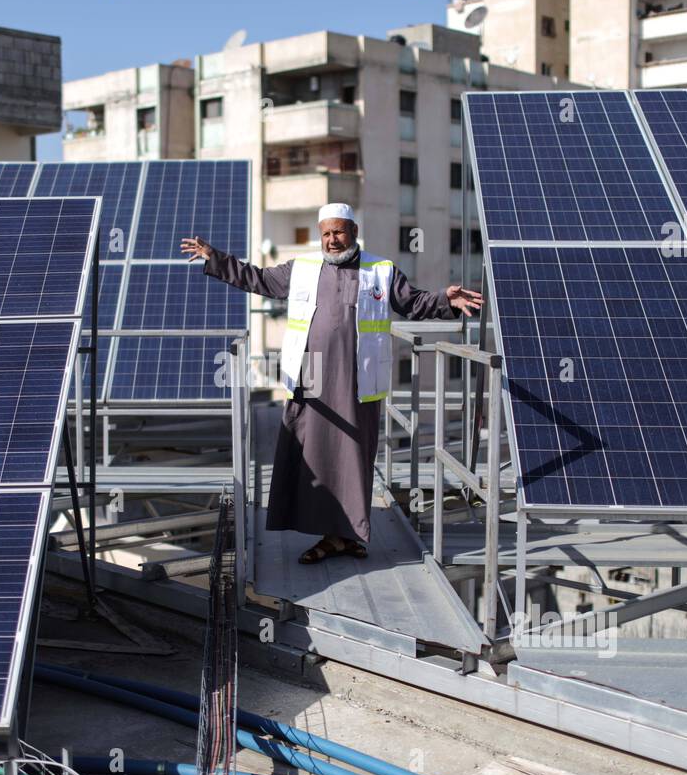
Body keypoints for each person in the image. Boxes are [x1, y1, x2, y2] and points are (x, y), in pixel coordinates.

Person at [182, 203, 482, 564]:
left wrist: (443, 300)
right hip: (311, 379)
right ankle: (329, 535)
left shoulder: (380, 270)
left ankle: (347, 536)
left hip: (359, 382)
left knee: (353, 459)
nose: (332, 240)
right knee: (314, 455)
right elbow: (258, 278)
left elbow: (413, 303)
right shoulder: (302, 268)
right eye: (325, 233)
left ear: (353, 231)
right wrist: (215, 257)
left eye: (338, 232)